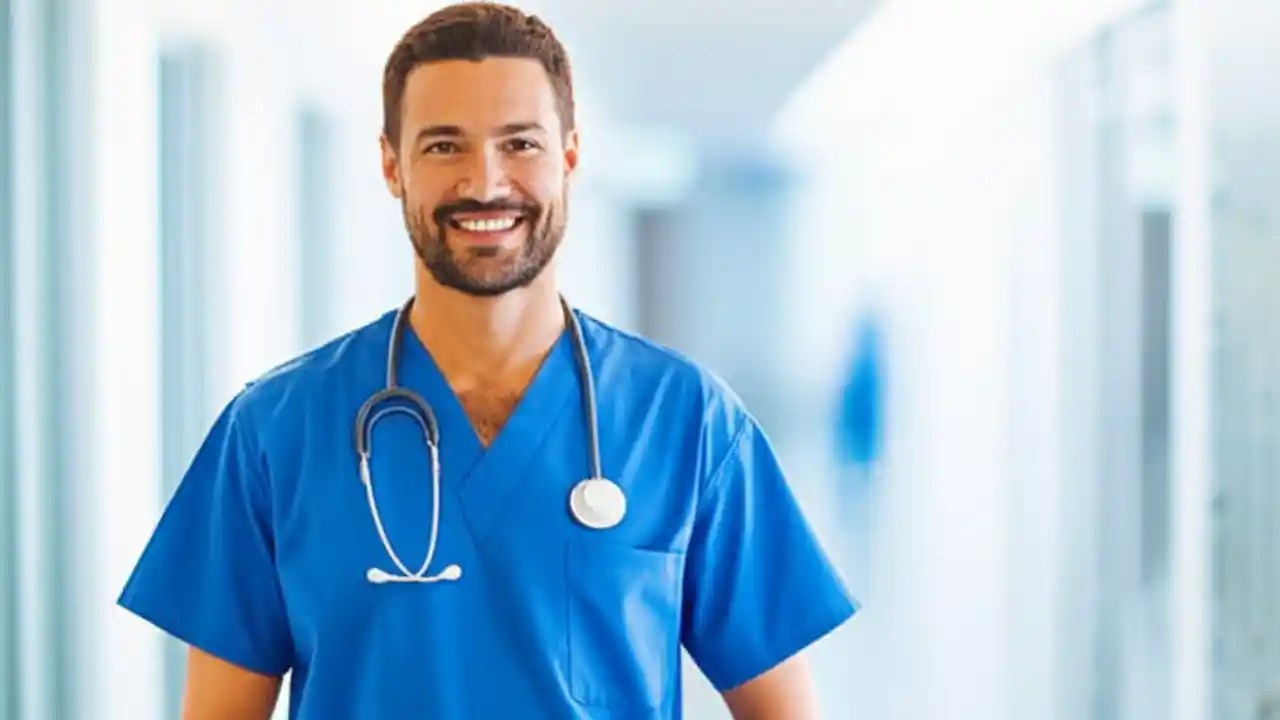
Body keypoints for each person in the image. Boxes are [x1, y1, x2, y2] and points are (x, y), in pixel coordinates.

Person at [118, 3, 857, 718]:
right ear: (391, 165)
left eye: (520, 143)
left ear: (569, 155)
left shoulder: (687, 421)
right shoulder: (275, 433)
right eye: (444, 145)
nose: (485, 181)